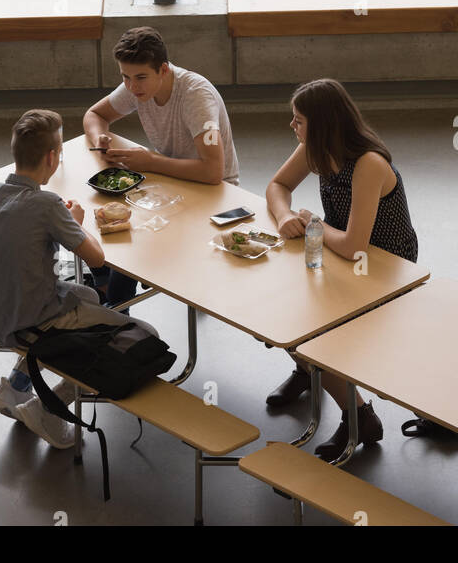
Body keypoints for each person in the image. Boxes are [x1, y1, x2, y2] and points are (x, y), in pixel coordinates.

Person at [0, 108, 158, 449]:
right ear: (53, 157)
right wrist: (77, 222)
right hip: (34, 319)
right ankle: (47, 410)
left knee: (90, 297)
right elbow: (96, 257)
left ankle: (13, 387)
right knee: (144, 335)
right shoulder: (47, 204)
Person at [265, 78, 419, 461]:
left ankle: (359, 417)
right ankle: (309, 370)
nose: (292, 126)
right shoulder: (314, 147)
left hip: (382, 269)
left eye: (298, 120)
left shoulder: (368, 163)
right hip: (342, 256)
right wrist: (284, 216)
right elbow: (278, 184)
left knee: (312, 331)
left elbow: (354, 246)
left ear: (322, 124)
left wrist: (313, 222)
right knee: (271, 307)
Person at [83, 26, 239, 306]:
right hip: (170, 182)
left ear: (163, 70)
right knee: (100, 219)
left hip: (215, 196)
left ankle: (113, 304)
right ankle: (106, 285)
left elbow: (213, 172)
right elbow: (95, 114)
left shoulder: (196, 97)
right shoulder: (137, 83)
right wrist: (100, 139)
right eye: (125, 78)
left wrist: (152, 162)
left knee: (130, 246)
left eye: (140, 78)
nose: (132, 87)